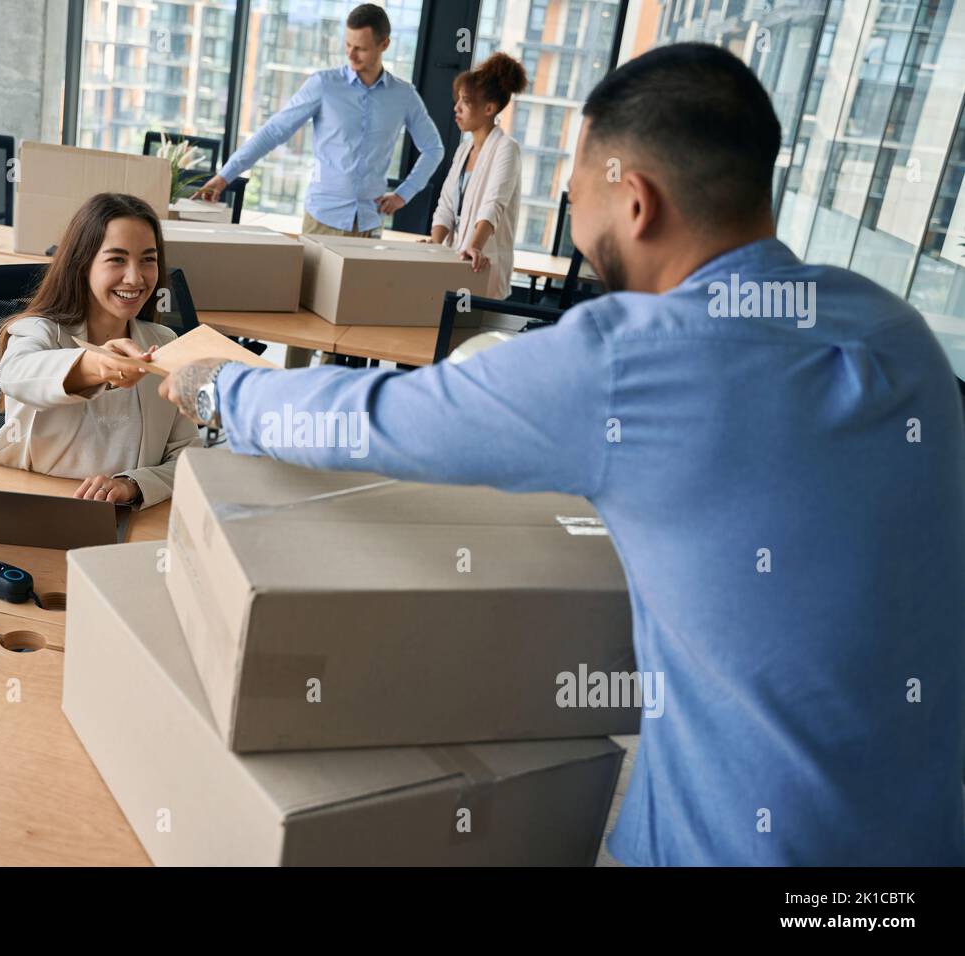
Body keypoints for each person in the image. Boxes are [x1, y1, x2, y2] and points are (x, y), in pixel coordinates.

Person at [159, 44, 965, 865]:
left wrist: (218, 385)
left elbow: (376, 422)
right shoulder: (899, 333)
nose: (566, 200)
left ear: (636, 201)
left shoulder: (635, 362)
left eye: (576, 186)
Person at [192, 2, 444, 366]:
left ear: (384, 45)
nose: (352, 54)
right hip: (323, 217)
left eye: (361, 47)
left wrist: (404, 194)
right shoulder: (324, 85)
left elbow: (434, 148)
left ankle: (330, 402)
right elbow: (274, 131)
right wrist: (225, 175)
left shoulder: (403, 95)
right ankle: (293, 393)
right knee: (305, 321)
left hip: (368, 227)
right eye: (347, 45)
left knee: (351, 329)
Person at [0, 193, 200, 507]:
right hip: (33, 507)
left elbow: (188, 456)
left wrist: (132, 485)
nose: (136, 277)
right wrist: (98, 365)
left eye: (148, 259)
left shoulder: (162, 341)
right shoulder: (38, 330)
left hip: (118, 518)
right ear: (83, 265)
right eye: (117, 259)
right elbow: (14, 375)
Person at [425, 51, 528, 301]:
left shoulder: (506, 148)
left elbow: (494, 205)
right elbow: (446, 205)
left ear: (489, 108)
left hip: (482, 266)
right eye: (457, 100)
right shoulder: (464, 150)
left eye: (465, 102)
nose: (456, 108)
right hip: (454, 264)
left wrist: (475, 246)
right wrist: (435, 245)